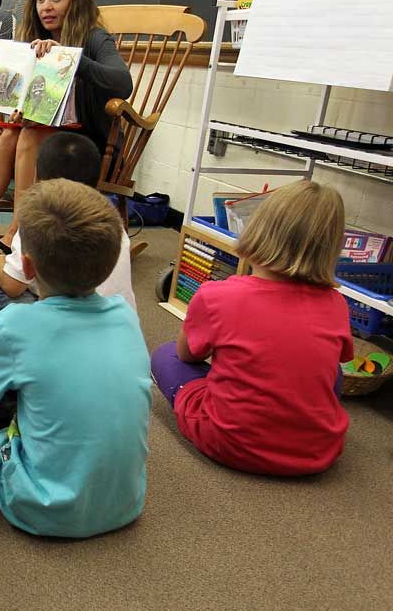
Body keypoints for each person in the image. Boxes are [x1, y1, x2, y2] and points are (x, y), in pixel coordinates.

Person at [0, 179, 151, 538]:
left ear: (27, 267)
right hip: (126, 502)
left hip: (42, 508)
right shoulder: (126, 317)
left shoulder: (19, 323)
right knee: (39, 391)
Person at [151, 181, 353, 476]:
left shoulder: (216, 295)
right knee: (331, 370)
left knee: (165, 355)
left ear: (258, 229)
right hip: (318, 451)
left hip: (229, 443)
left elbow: (187, 355)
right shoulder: (336, 303)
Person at [0, 0, 133, 249]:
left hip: (89, 146)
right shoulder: (36, 41)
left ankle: (18, 232)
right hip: (49, 136)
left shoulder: (94, 37)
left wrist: (71, 59)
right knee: (10, 136)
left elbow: (123, 82)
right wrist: (19, 108)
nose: (46, 7)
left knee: (29, 134)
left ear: (75, 1)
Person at [0, 132, 136, 333]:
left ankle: (3, 325)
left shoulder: (40, 219)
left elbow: (12, 286)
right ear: (96, 182)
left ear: (38, 178)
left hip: (59, 330)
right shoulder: (113, 224)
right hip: (118, 326)